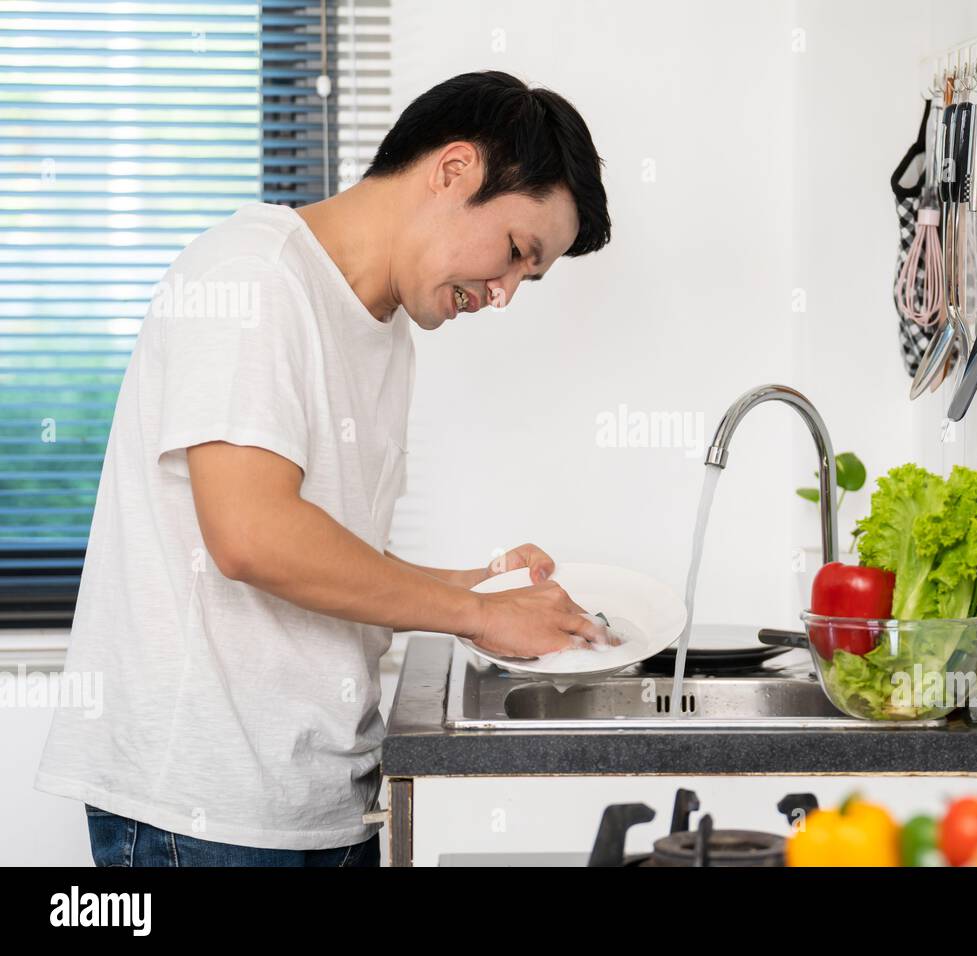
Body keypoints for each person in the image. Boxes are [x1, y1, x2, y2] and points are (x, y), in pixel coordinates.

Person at [35, 71, 613, 866]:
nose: (505, 291)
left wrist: (477, 585)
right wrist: (477, 617)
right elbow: (251, 535)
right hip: (205, 814)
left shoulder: (384, 332)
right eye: (516, 252)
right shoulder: (254, 279)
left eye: (527, 276)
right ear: (454, 169)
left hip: (321, 804)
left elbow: (329, 558)